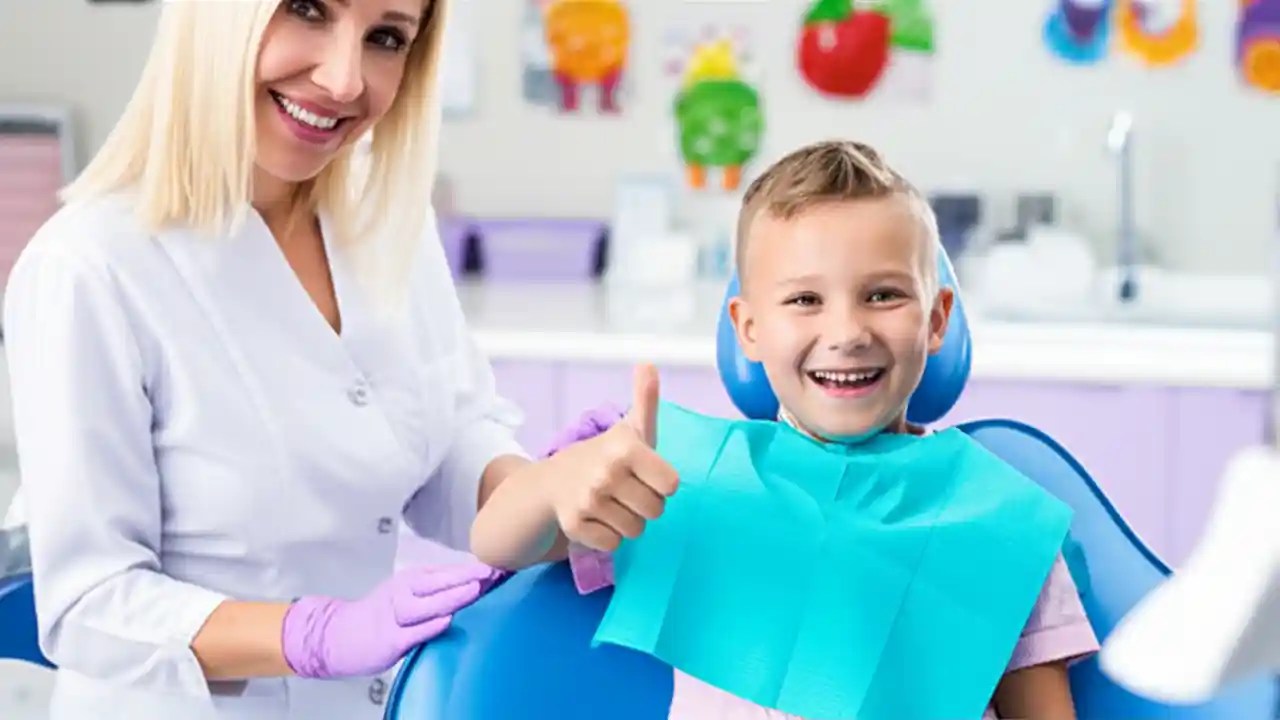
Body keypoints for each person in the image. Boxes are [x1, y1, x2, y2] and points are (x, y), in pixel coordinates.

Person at [2, 1, 543, 718]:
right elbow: (88, 604)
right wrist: (307, 635)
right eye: (308, 9)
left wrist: (542, 491)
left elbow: (445, 438)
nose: (346, 79)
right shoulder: (89, 266)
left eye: (386, 38)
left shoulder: (389, 221)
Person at [471, 140, 1101, 719]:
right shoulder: (683, 483)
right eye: (804, 300)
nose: (848, 332)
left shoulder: (1001, 521)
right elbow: (497, 540)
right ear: (748, 328)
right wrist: (560, 481)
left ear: (937, 320)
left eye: (883, 295)